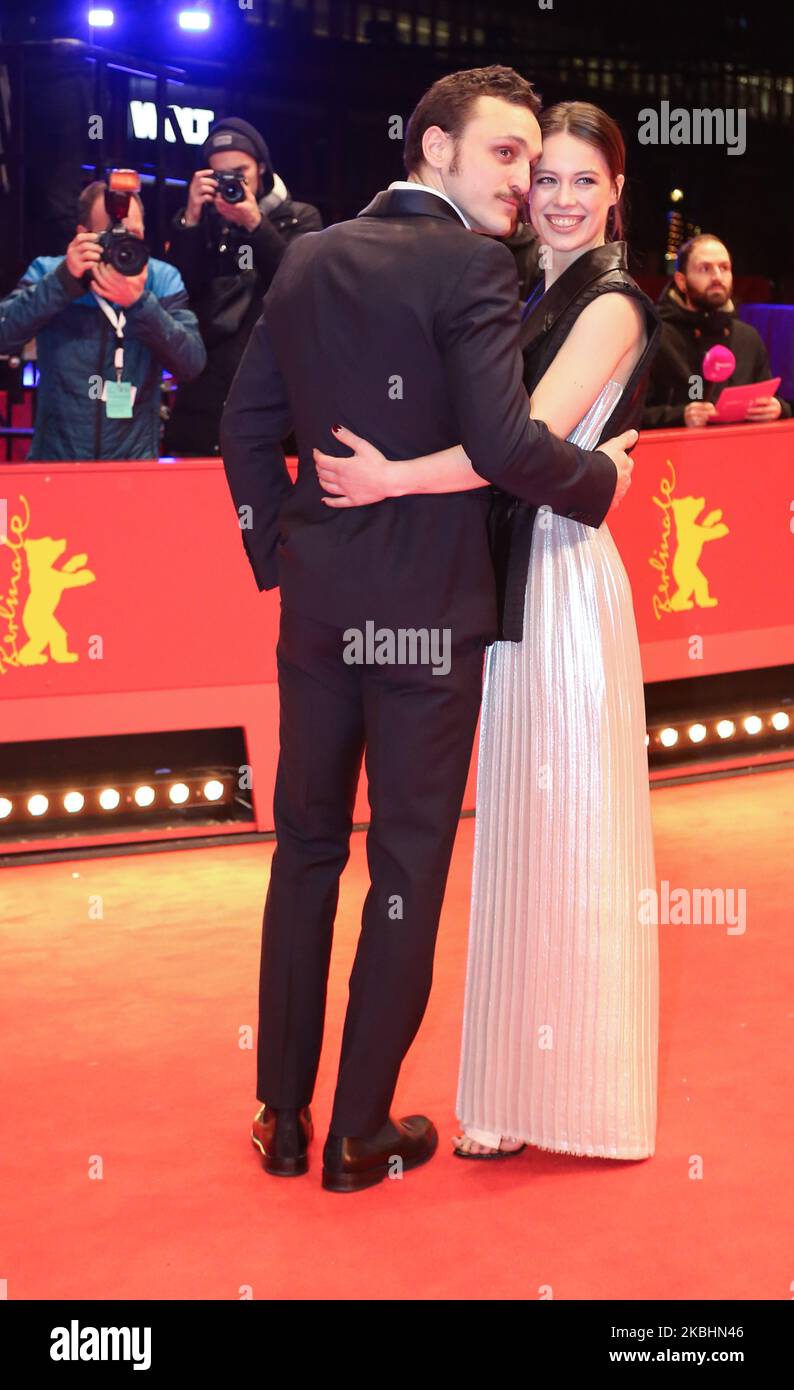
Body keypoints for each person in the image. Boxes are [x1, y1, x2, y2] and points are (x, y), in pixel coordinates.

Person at [220, 67, 638, 1194]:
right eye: (506, 155)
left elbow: (243, 427)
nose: (522, 179)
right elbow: (506, 447)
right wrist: (598, 479)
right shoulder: (470, 267)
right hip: (428, 624)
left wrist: (283, 556)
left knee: (303, 852)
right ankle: (358, 1132)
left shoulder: (306, 255)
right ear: (435, 148)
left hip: (316, 618)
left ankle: (279, 1115)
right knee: (403, 864)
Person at [315, 101, 662, 1162]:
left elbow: (513, 446)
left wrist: (385, 478)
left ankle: (580, 1096)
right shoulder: (516, 284)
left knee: (566, 838)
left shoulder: (610, 301)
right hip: (501, 580)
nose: (554, 197)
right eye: (541, 176)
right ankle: (509, 1094)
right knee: (514, 835)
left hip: (557, 584)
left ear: (613, 194)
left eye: (578, 180)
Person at [0, 180, 205, 461]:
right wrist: (63, 283)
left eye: (131, 234)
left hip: (133, 467)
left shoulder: (161, 278)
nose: (121, 244)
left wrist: (140, 304)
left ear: (143, 232)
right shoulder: (50, 272)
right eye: (109, 235)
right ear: (82, 235)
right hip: (57, 462)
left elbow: (191, 363)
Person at [162, 117, 322, 457]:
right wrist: (190, 219)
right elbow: (176, 290)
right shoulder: (200, 223)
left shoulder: (301, 218)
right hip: (204, 390)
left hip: (271, 389)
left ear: (262, 167)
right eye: (220, 176)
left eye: (240, 172)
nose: (231, 183)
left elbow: (300, 284)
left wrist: (254, 223)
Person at [642, 234, 791, 429]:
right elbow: (629, 418)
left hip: (740, 452)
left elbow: (768, 396)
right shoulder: (655, 335)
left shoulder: (748, 337)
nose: (717, 277)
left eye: (724, 268)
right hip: (675, 454)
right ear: (681, 281)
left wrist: (778, 408)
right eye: (705, 269)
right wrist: (679, 416)